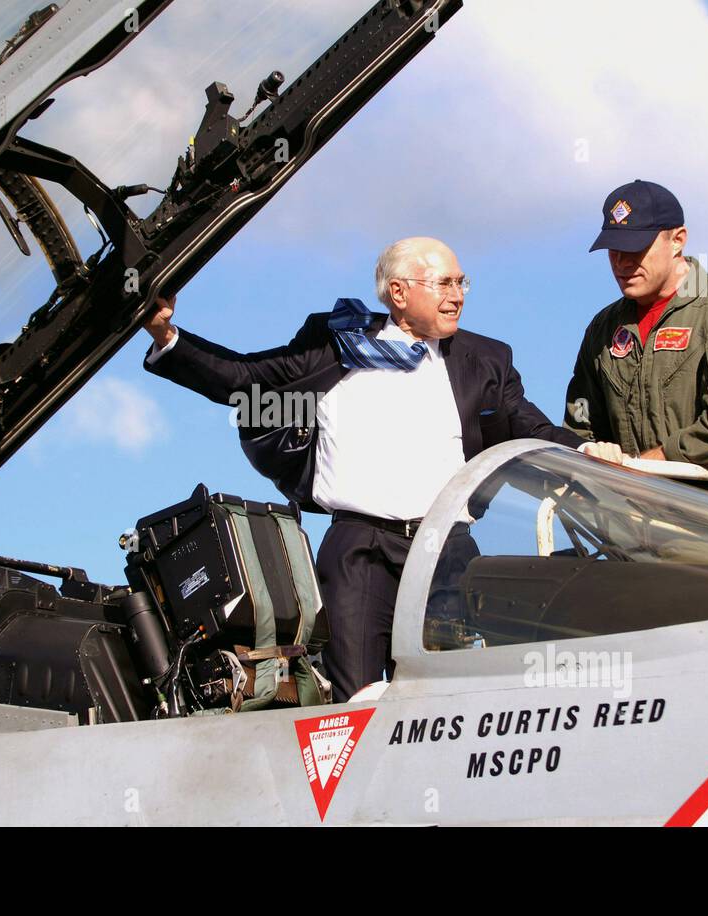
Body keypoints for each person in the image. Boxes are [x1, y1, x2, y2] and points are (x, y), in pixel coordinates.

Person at [142, 237, 586, 701]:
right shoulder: (337, 347)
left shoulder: (485, 360)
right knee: (352, 702)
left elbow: (530, 428)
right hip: (360, 550)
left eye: (461, 282)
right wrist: (166, 337)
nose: (457, 295)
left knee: (450, 696)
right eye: (443, 283)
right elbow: (242, 380)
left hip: (446, 553)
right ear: (399, 293)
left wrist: (587, 452)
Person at [563, 180, 708, 505]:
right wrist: (592, 462)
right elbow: (580, 428)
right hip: (624, 528)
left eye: (636, 249)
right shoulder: (603, 329)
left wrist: (649, 464)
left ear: (678, 240)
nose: (622, 263)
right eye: (614, 250)